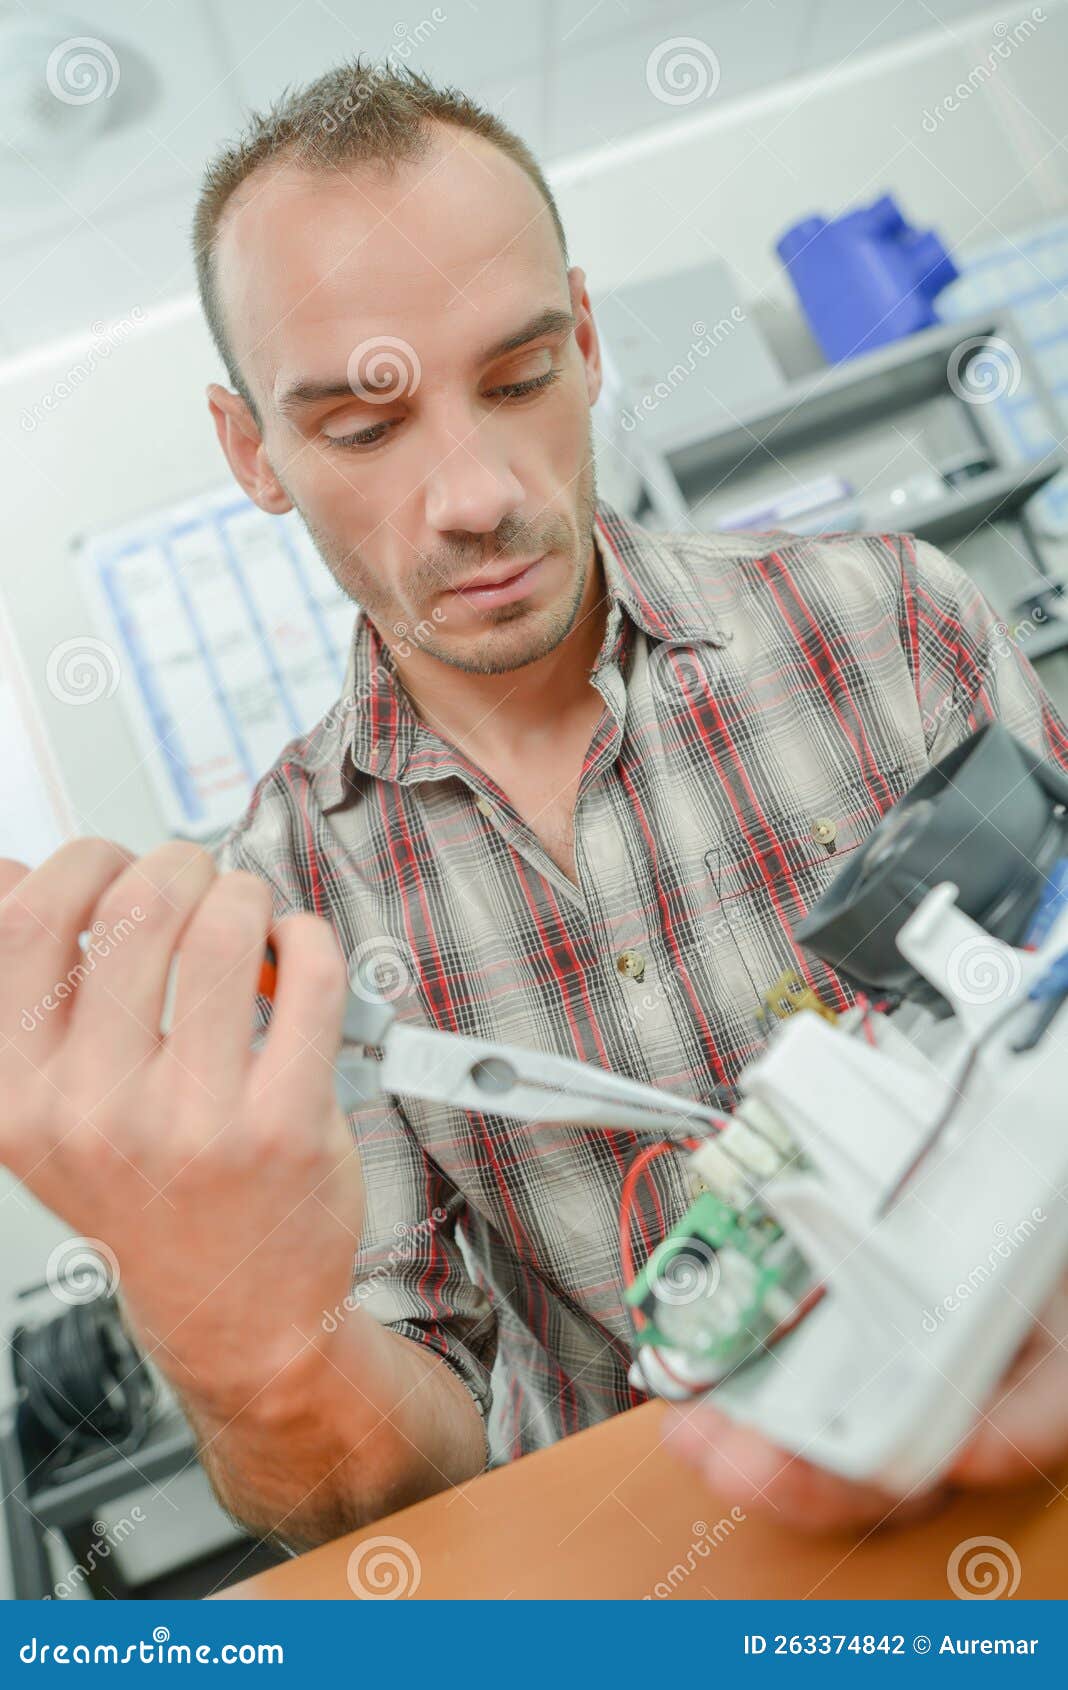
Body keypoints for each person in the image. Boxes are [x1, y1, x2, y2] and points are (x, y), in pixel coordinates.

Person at [4, 59, 1068, 1554]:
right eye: (361, 430)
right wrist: (251, 1336)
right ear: (254, 453)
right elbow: (392, 1503)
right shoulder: (279, 915)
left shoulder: (894, 623)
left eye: (515, 379)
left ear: (585, 338)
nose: (471, 494)